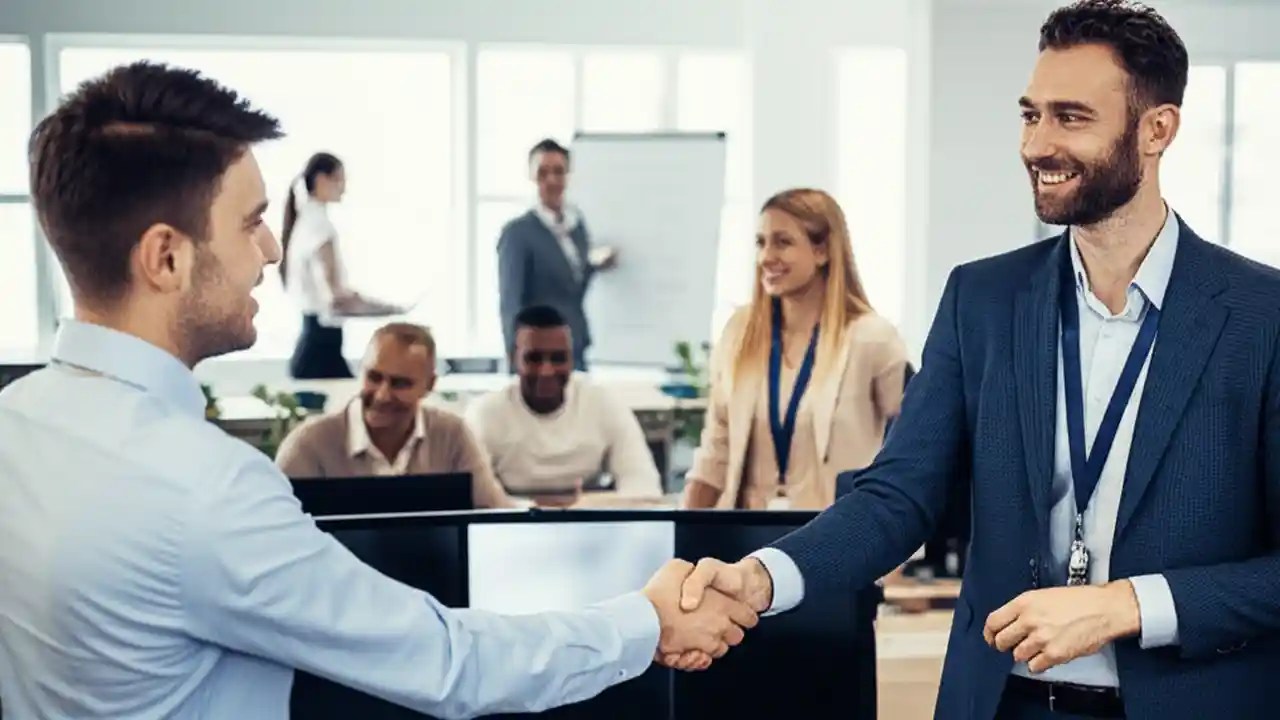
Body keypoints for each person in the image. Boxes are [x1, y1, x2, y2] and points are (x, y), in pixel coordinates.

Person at [0, 61, 756, 720]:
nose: (270, 251)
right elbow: (449, 664)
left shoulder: (15, 425)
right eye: (253, 223)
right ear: (165, 257)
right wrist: (644, 622)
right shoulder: (204, 487)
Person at [677, 2, 1280, 718]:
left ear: (1158, 129)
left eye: (1071, 118)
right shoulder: (983, 300)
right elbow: (898, 496)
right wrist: (765, 577)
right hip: (1001, 701)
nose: (1038, 144)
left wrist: (1130, 605)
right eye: (1031, 116)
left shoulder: (1260, 316)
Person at [682, 188, 908, 511]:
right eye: (760, 243)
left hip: (833, 542)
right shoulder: (739, 334)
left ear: (823, 251)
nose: (766, 257)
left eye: (782, 242)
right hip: (743, 543)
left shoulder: (872, 339)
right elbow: (715, 451)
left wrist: (893, 555)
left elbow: (912, 456)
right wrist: (681, 543)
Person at [275, 322, 523, 509]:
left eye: (400, 383)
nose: (382, 395)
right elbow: (276, 533)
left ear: (429, 385)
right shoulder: (309, 444)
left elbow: (493, 515)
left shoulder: (452, 435)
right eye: (374, 377)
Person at [466, 304, 663, 505]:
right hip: (508, 528)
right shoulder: (485, 413)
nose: (546, 371)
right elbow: (474, 496)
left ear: (572, 359)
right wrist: (545, 508)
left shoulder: (602, 402)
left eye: (558, 358)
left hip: (590, 524)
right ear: (513, 359)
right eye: (534, 358)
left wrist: (582, 506)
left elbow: (644, 487)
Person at [497, 138, 616, 372]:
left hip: (575, 345)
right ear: (532, 177)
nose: (551, 180)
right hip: (539, 355)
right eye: (543, 173)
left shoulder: (577, 228)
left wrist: (595, 267)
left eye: (559, 172)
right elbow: (511, 302)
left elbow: (572, 288)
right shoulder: (518, 232)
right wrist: (515, 357)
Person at [280, 151, 401, 379]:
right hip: (320, 352)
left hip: (316, 347)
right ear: (320, 180)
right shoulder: (320, 228)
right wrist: (388, 309)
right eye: (339, 180)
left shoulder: (305, 223)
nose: (343, 188)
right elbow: (336, 298)